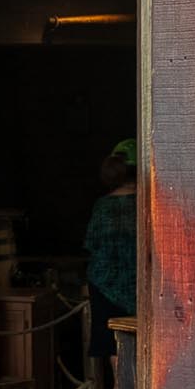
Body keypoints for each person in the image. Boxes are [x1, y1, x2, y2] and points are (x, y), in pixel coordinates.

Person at [83, 138, 137, 357]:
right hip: (145, 291)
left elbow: (91, 246)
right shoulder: (150, 203)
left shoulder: (103, 207)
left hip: (104, 290)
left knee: (118, 368)